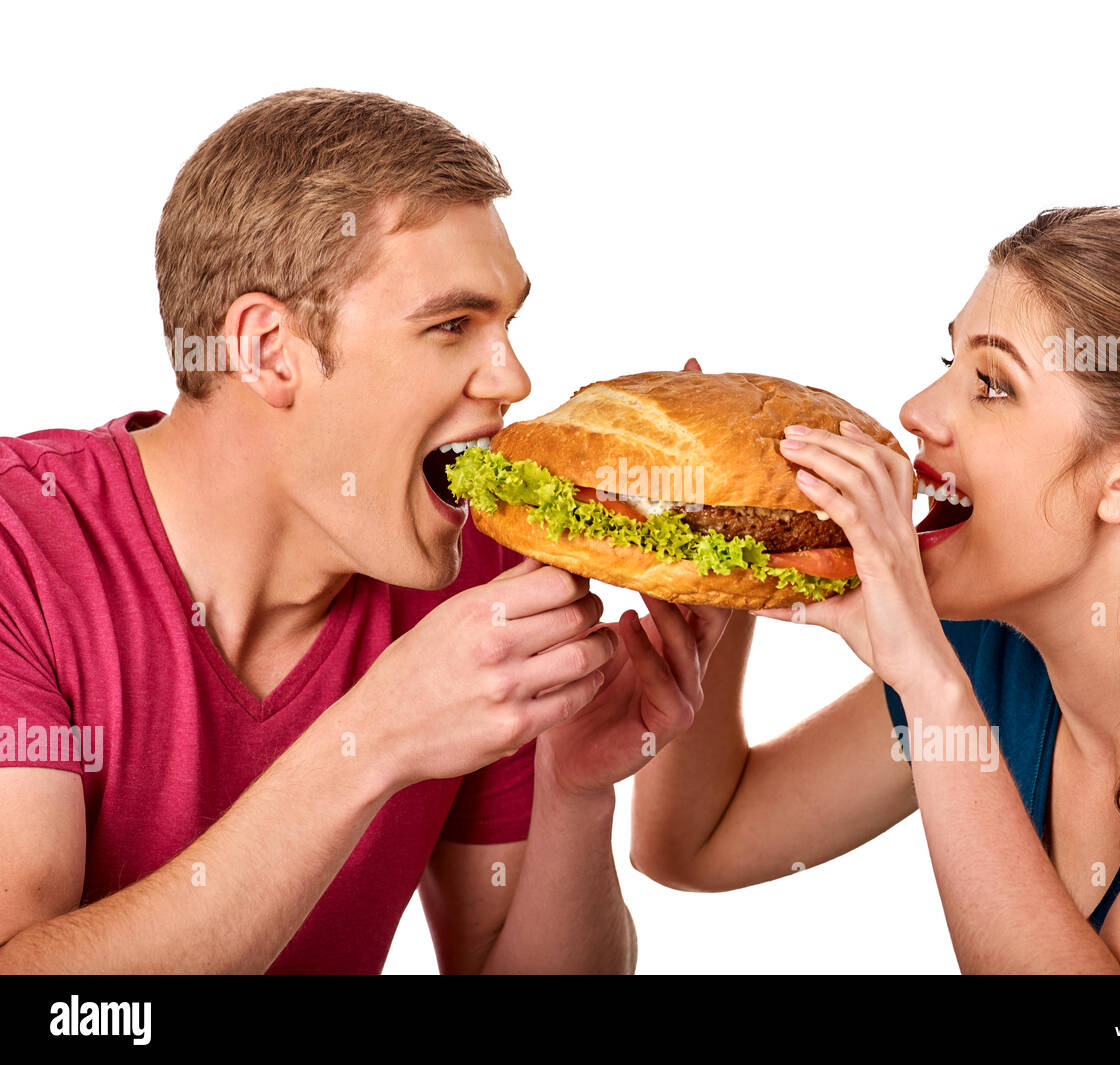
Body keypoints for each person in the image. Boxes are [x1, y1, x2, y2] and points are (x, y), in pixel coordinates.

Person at [0, 88, 728, 974]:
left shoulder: (474, 578)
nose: (514, 378)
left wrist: (574, 790)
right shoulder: (22, 549)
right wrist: (374, 739)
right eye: (452, 326)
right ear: (269, 350)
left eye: (509, 324)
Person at [630, 206, 1120, 975]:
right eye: (947, 361)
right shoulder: (991, 654)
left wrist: (929, 683)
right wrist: (725, 574)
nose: (917, 412)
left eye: (992, 383)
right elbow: (695, 842)